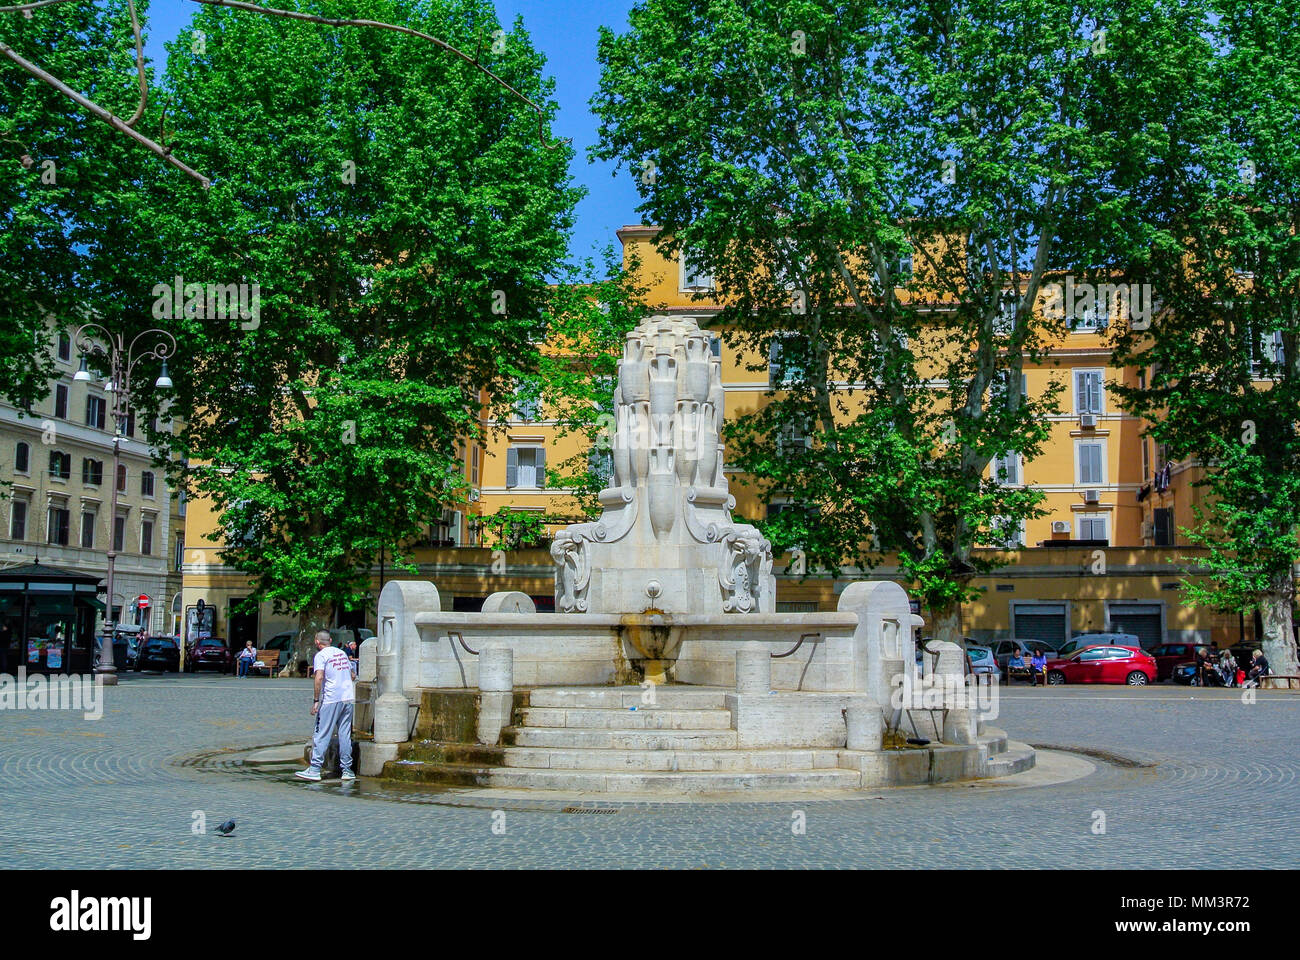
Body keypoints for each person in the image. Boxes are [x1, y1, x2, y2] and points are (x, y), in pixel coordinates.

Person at [296, 630, 356, 782]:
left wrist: (316, 700)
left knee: (322, 733)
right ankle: (347, 770)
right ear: (330, 640)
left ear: (317, 642)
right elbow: (352, 675)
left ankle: (315, 769)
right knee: (345, 735)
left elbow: (319, 677)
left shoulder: (321, 656)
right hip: (348, 697)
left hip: (331, 698)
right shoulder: (342, 653)